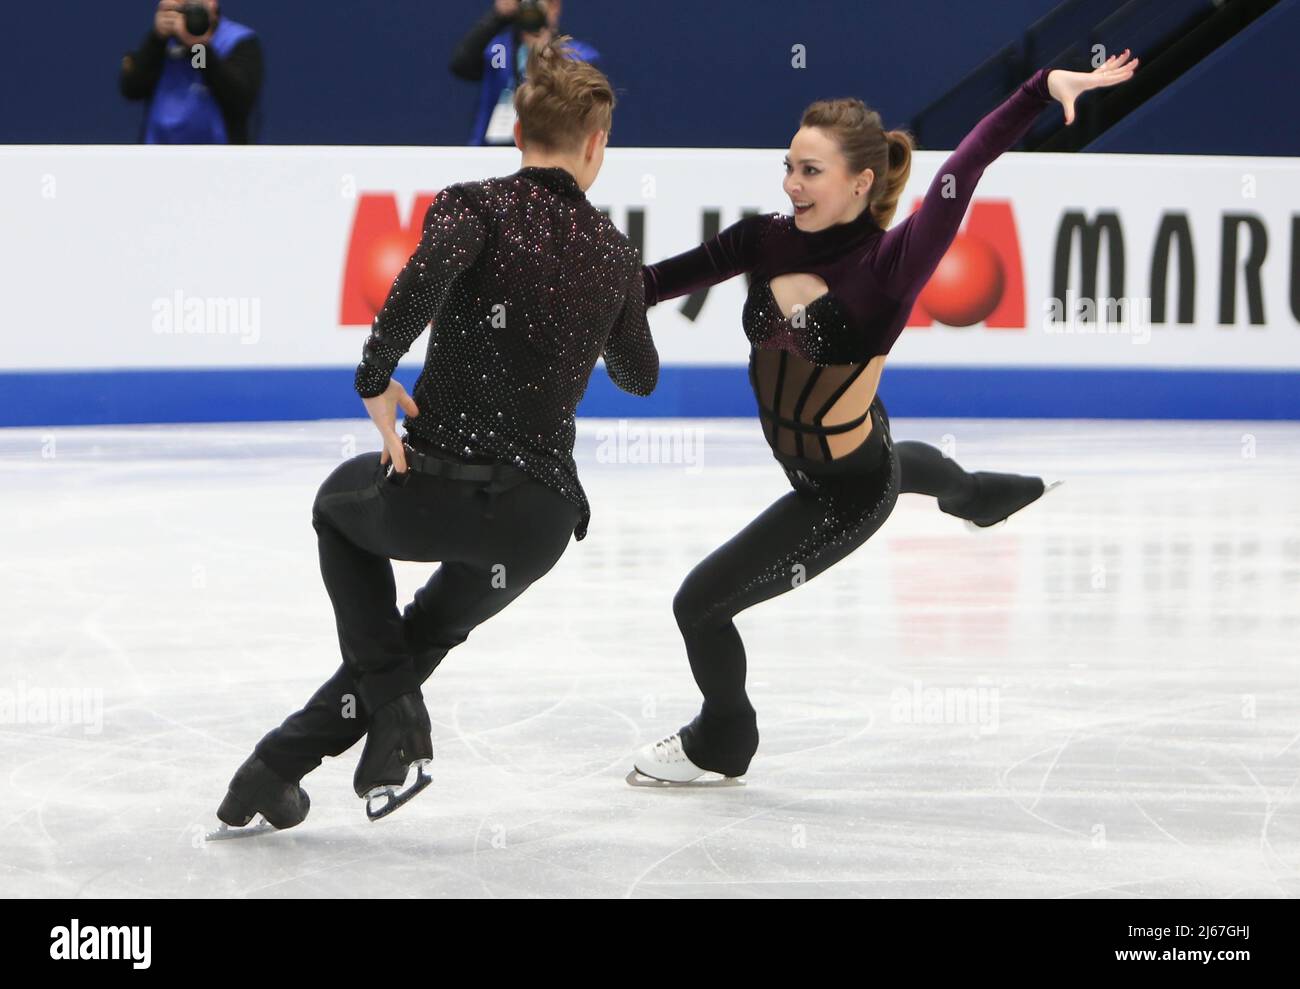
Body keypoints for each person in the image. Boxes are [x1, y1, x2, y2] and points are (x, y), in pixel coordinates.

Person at [630, 52, 1139, 785]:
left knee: (699, 605)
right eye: (789, 166)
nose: (791, 183)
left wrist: (1038, 90)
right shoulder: (763, 239)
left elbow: (964, 168)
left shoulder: (892, 264)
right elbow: (654, 283)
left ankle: (723, 742)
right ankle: (977, 495)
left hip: (841, 492)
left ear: (861, 181)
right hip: (856, 433)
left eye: (811, 171)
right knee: (909, 460)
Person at [214, 38, 657, 833]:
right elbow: (639, 374)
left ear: (518, 135)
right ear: (598, 145)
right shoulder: (615, 252)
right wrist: (621, 292)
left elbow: (423, 279)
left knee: (334, 508)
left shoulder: (475, 203)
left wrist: (375, 374)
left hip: (440, 491)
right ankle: (273, 768)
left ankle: (401, 724)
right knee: (416, 638)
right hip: (538, 524)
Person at [450, 0, 599, 146]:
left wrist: (547, 56)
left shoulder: (578, 56)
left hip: (553, 150)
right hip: (495, 148)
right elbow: (461, 65)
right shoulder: (499, 51)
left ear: (554, 7)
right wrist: (497, 17)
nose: (530, 10)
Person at [119, 0, 263, 144]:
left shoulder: (237, 40)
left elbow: (238, 100)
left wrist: (198, 47)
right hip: (159, 155)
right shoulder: (162, 41)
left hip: (218, 157)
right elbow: (132, 90)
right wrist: (157, 38)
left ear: (214, 4)